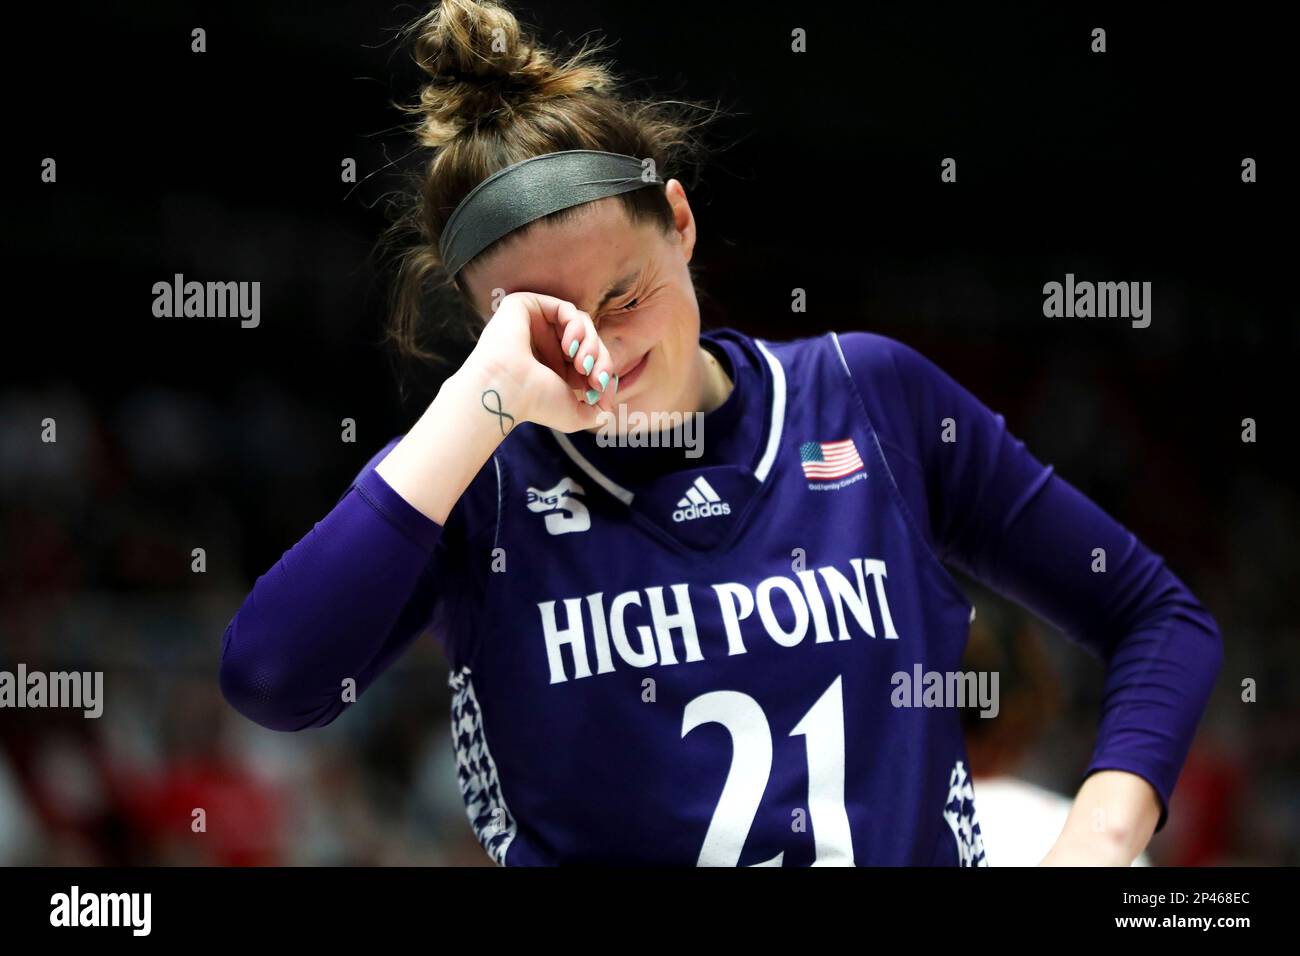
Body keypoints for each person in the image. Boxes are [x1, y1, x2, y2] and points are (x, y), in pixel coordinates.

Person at [219, 0, 1222, 866]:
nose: (604, 347)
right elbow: (272, 678)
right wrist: (474, 404)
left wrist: (1095, 838)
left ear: (682, 223)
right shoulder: (475, 476)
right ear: (486, 328)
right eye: (546, 321)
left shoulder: (867, 394)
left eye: (625, 294)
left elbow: (1158, 617)